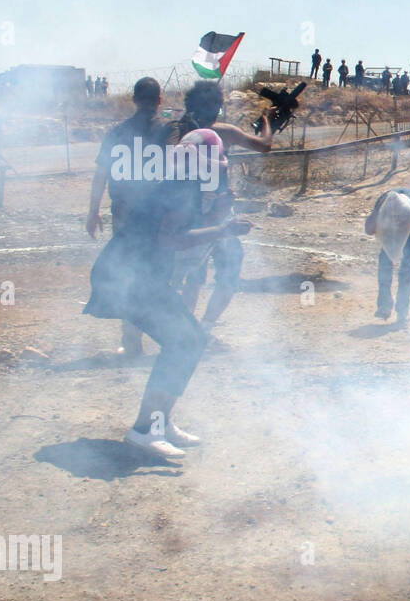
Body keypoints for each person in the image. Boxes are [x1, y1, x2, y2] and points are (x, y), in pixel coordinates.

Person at [82, 112, 253, 460]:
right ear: (200, 164)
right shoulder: (180, 187)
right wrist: (222, 229)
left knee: (189, 340)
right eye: (216, 164)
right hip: (128, 279)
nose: (220, 170)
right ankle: (144, 430)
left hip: (134, 276)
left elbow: (177, 232)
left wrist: (216, 215)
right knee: (185, 340)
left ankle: (160, 422)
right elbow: (173, 239)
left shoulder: (182, 184)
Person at [169, 81, 274, 342]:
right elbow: (264, 145)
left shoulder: (175, 132)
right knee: (228, 275)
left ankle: (182, 330)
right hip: (218, 215)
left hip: (185, 217)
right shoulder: (221, 132)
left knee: (191, 278)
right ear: (217, 107)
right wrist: (268, 121)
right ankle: (201, 329)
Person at [86, 77, 164, 358]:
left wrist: (92, 211)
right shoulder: (168, 133)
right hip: (158, 220)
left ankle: (132, 338)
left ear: (133, 99)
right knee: (157, 275)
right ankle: (162, 334)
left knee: (129, 275)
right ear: (159, 100)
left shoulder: (117, 133)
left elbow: (100, 175)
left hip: (125, 218)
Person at [364, 186, 410, 323]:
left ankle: (402, 311)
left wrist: (405, 237)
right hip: (392, 232)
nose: (395, 218)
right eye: (392, 215)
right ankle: (384, 306)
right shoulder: (383, 202)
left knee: (406, 271)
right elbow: (369, 230)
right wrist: (378, 213)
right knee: (384, 265)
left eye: (398, 217)